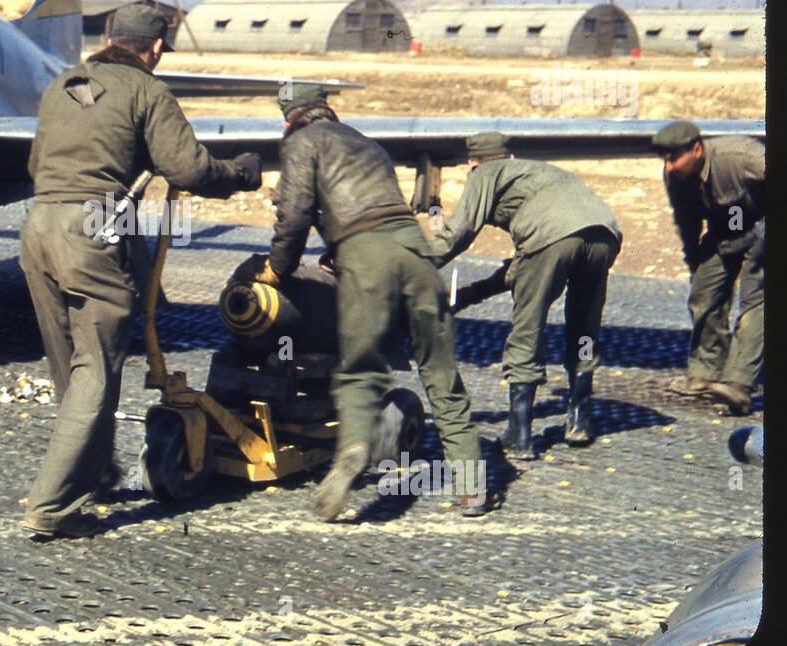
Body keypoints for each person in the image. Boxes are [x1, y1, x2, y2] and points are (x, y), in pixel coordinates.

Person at [20, 4, 262, 539]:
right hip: (91, 227)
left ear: (111, 38)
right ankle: (52, 507)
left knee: (71, 363)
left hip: (38, 224)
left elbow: (36, 166)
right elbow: (189, 168)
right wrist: (240, 175)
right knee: (98, 367)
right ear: (153, 48)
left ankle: (96, 472)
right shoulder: (146, 90)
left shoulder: (62, 84)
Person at [251, 83, 490, 519]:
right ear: (327, 109)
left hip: (366, 257)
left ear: (288, 119)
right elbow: (380, 210)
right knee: (441, 375)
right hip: (415, 252)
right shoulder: (367, 142)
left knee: (361, 369)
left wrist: (277, 269)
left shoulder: (302, 143)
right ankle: (473, 489)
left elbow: (295, 214)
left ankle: (354, 450)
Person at [423, 133, 622, 458]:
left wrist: (412, 265)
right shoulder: (540, 173)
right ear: (511, 156)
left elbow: (457, 234)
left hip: (552, 238)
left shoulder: (484, 174)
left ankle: (520, 434)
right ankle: (579, 420)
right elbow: (524, 267)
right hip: (605, 235)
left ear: (472, 163)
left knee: (527, 329)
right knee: (585, 327)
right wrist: (471, 294)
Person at [651, 121, 764, 415]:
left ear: (696, 149)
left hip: (765, 225)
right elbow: (687, 223)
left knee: (757, 300)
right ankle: (707, 373)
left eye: (673, 158)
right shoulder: (676, 176)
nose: (668, 167)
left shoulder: (742, 156)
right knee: (703, 294)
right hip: (727, 232)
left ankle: (739, 386)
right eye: (664, 160)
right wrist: (695, 265)